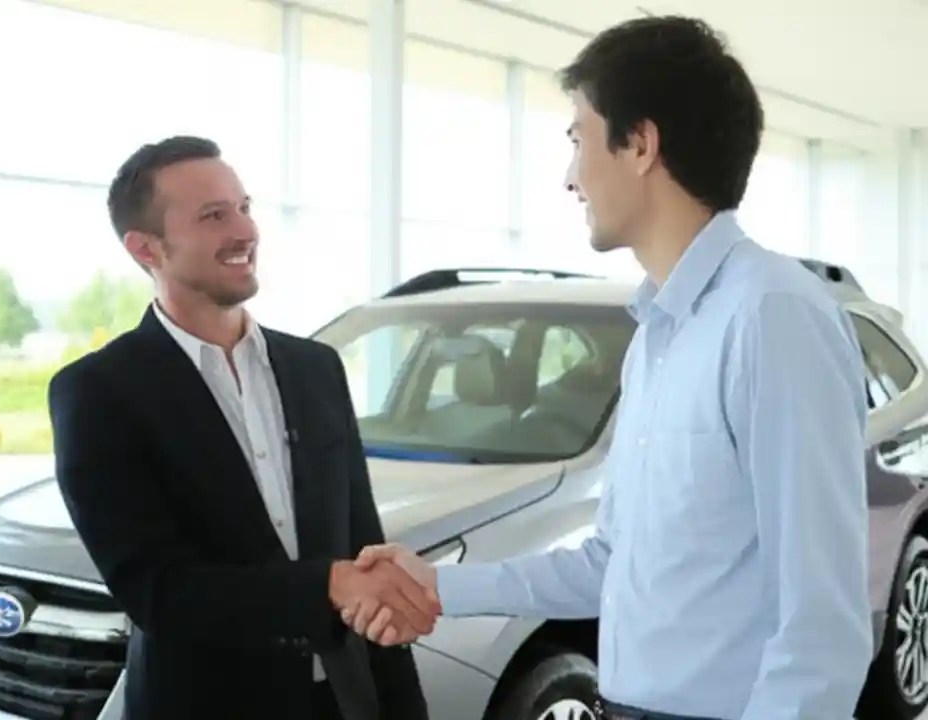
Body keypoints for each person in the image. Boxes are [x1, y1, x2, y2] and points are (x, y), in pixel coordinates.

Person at [342, 15, 873, 720]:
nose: (569, 177)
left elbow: (821, 625)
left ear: (641, 143)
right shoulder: (657, 333)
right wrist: (439, 587)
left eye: (577, 139)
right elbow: (613, 565)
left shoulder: (772, 316)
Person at [47, 135, 436, 720]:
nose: (245, 231)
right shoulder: (98, 393)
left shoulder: (315, 368)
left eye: (244, 208)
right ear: (145, 248)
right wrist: (326, 587)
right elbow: (159, 592)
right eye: (213, 216)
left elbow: (362, 549)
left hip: (340, 698)